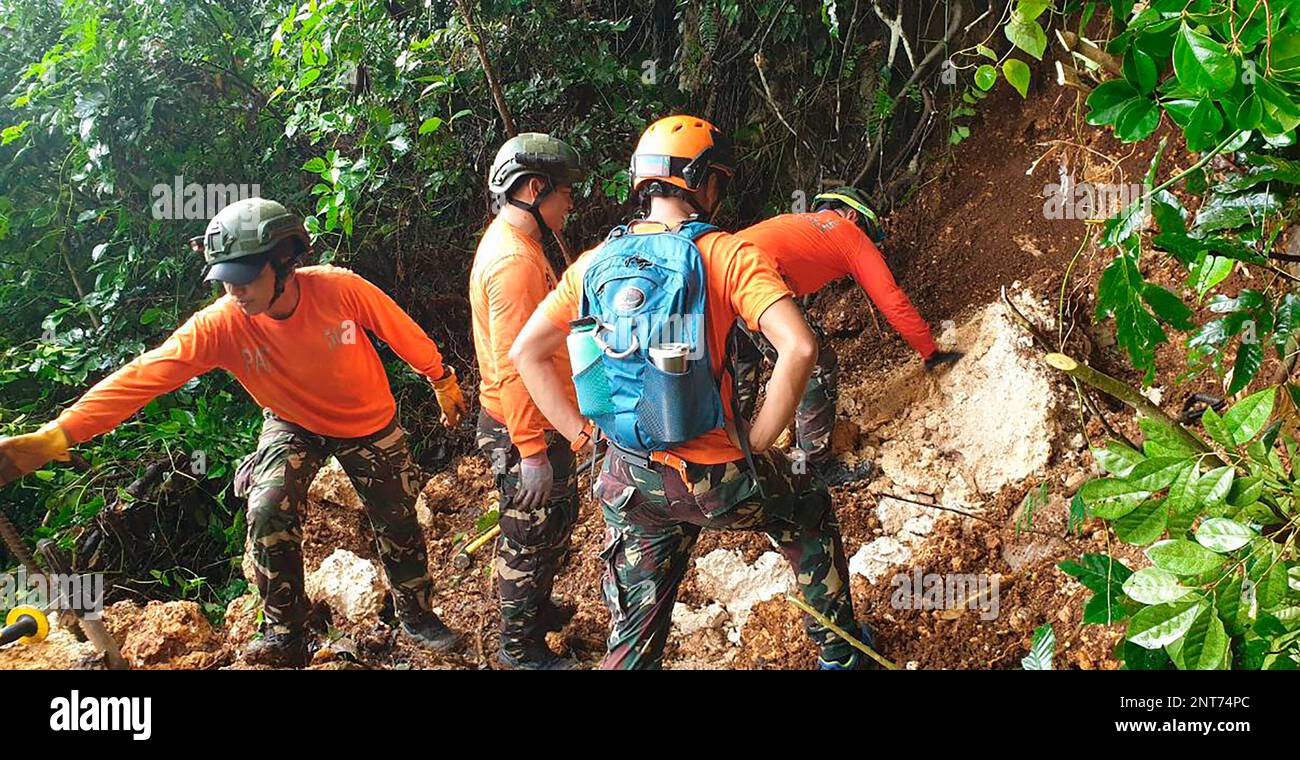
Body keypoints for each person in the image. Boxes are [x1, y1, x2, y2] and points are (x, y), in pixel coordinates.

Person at [0, 197, 470, 667]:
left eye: (243, 279)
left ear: (283, 262)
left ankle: (417, 615)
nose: (234, 291)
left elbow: (398, 329)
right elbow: (143, 377)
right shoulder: (222, 324)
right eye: (224, 279)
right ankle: (286, 633)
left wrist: (440, 377)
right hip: (292, 421)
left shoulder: (339, 289)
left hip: (368, 419)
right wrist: (58, 435)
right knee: (267, 505)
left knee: (398, 517)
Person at [510, 115, 869, 669]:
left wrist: (581, 435)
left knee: (634, 634)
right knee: (808, 511)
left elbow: (526, 353)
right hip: (715, 477)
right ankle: (842, 656)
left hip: (627, 477)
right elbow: (798, 348)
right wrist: (758, 436)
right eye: (716, 179)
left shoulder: (592, 265)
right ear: (700, 182)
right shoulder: (726, 254)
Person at [735, 187, 962, 476]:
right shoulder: (849, 234)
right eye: (869, 233)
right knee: (816, 363)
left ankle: (730, 456)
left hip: (720, 276)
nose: (869, 242)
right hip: (755, 282)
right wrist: (929, 352)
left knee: (742, 362)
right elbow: (892, 300)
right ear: (853, 216)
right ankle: (818, 467)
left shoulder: (794, 223)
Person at [470, 133, 584, 669]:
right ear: (534, 189)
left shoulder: (518, 245)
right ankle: (519, 650)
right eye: (564, 192)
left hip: (536, 417)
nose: (569, 203)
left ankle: (536, 608)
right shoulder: (514, 263)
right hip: (524, 424)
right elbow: (515, 362)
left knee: (552, 523)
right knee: (527, 539)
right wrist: (531, 451)